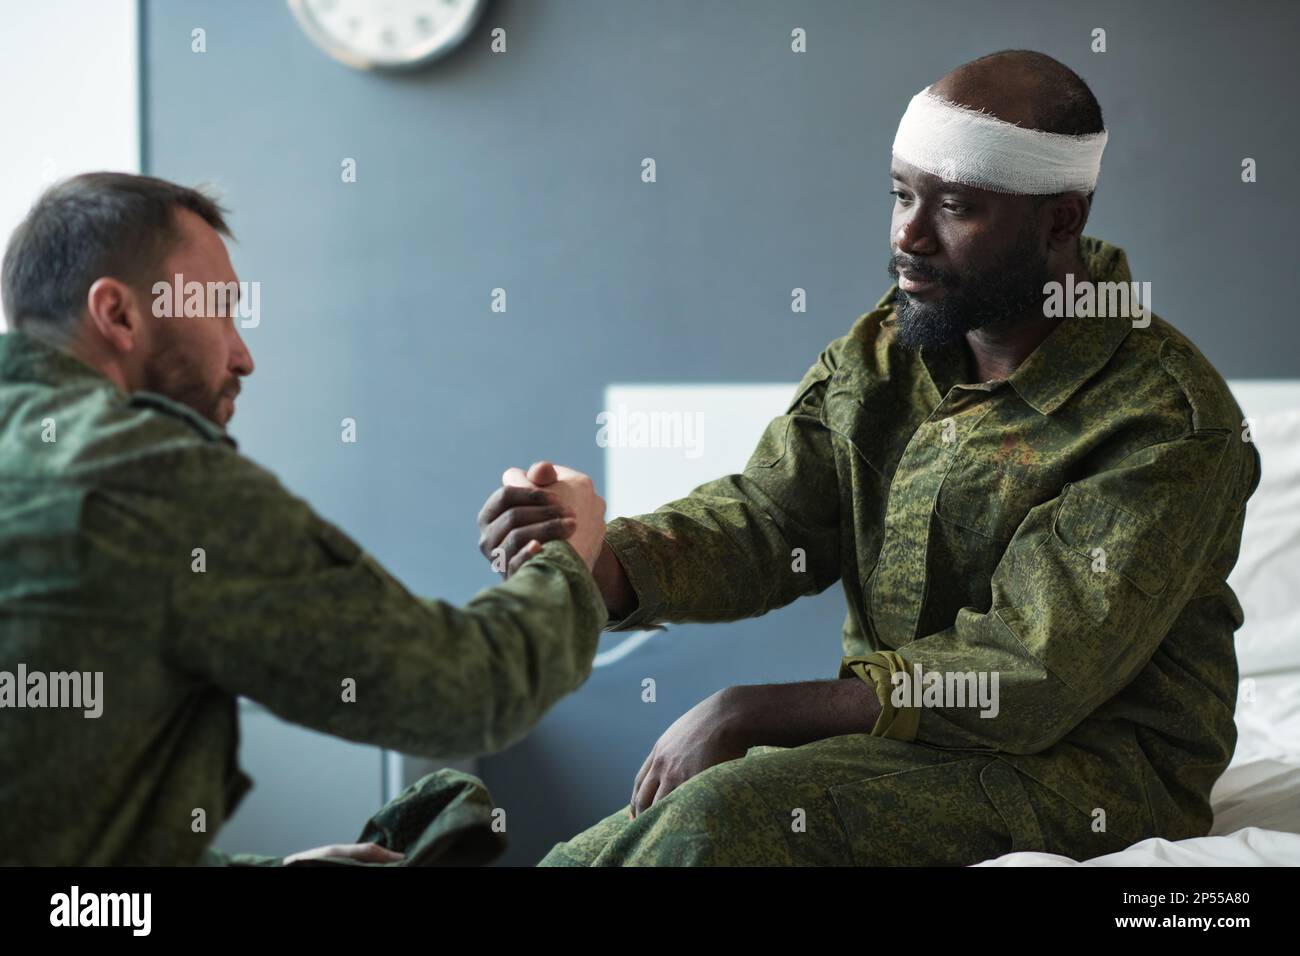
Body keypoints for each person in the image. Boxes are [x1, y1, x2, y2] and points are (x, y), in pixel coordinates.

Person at [479, 50, 1261, 866]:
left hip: (1092, 776)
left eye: (955, 206)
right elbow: (771, 520)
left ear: (1060, 220)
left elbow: (1026, 675)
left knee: (724, 816)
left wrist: (750, 711)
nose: (907, 235)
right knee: (597, 851)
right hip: (913, 744)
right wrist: (599, 558)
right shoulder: (888, 351)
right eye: (901, 194)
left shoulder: (1165, 420)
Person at [0, 172, 607, 865]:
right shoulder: (153, 478)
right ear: (119, 314)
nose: (242, 355)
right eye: (219, 311)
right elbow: (471, 690)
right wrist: (569, 556)